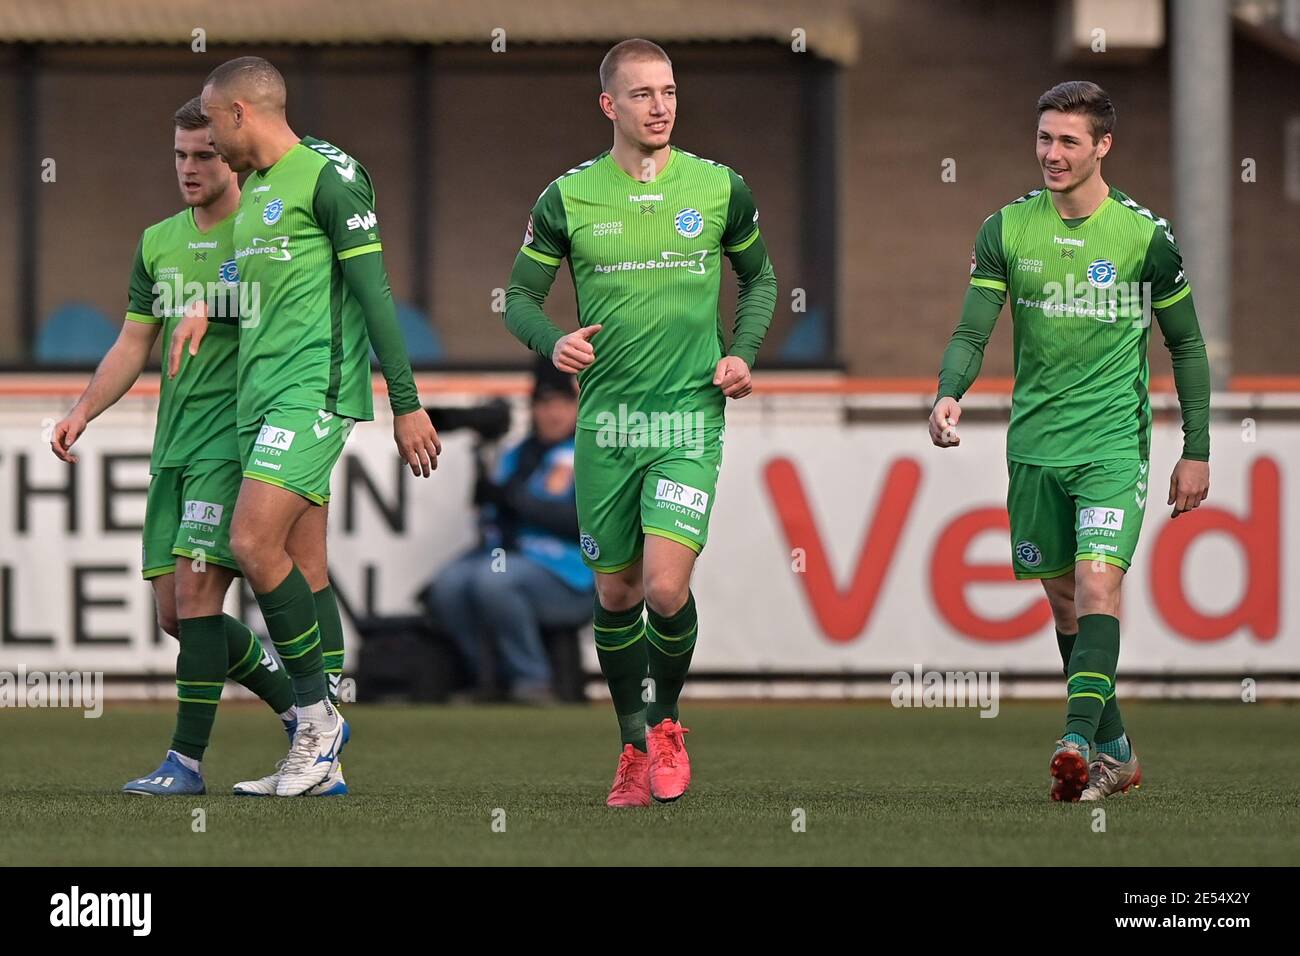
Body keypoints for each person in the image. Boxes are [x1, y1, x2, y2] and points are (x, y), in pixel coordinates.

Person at [503, 39, 778, 806]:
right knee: (617, 593)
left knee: (662, 588)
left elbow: (759, 279)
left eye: (669, 91)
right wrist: (550, 339)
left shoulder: (721, 188)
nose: (660, 106)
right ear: (609, 106)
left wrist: (744, 351)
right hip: (607, 427)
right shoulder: (567, 197)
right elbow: (519, 298)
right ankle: (631, 743)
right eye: (643, 94)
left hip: (689, 418)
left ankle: (666, 726)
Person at [929, 80, 1211, 802]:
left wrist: (1197, 447)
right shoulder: (1006, 230)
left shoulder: (1145, 238)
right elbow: (971, 330)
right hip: (1034, 448)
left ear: (1103, 147)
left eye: (1068, 142)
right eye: (1044, 139)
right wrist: (948, 394)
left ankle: (1076, 740)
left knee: (1095, 585)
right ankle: (1116, 750)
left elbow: (1187, 347)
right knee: (1064, 605)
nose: (1052, 154)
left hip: (1113, 446)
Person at [173, 56, 441, 796]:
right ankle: (325, 765)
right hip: (259, 400)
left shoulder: (331, 175)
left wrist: (407, 400)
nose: (204, 144)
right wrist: (209, 302)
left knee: (251, 542)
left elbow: (375, 291)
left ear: (240, 115)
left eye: (211, 123)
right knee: (309, 573)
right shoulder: (257, 189)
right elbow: (254, 279)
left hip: (313, 395)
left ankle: (315, 721)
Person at [48, 99, 327, 796]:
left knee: (201, 598)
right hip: (173, 446)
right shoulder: (157, 242)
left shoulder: (263, 231)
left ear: (231, 153)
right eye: (180, 156)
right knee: (176, 615)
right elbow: (133, 340)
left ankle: (186, 763)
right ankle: (302, 710)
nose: (190, 168)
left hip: (233, 442)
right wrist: (83, 409)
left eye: (204, 154)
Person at [422, 360, 592, 702]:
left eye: (562, 403)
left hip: (575, 575)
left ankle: (533, 680)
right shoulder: (516, 454)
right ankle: (488, 677)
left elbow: (583, 523)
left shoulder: (590, 453)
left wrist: (517, 501)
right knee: (448, 587)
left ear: (577, 406)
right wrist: (488, 499)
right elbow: (490, 520)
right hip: (513, 558)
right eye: (544, 404)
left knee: (493, 579)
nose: (553, 413)